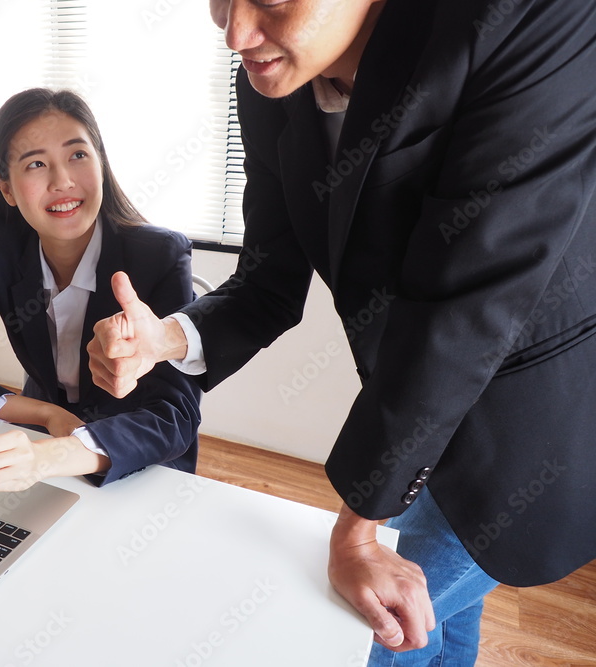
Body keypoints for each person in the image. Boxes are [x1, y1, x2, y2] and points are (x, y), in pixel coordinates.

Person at [87, 1, 596, 665]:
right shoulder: (269, 76)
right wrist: (168, 338)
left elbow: (463, 308)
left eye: (270, 0)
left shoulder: (530, 15)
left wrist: (357, 530)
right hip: (415, 417)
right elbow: (268, 281)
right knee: (440, 620)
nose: (235, 32)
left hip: (539, 423)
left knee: (365, 638)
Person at [0, 88, 201, 493]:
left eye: (77, 155)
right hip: (36, 448)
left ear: (101, 163)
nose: (63, 181)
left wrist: (52, 455)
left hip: (132, 462)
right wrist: (45, 413)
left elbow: (173, 417)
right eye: (36, 163)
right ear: (6, 188)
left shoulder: (158, 255)